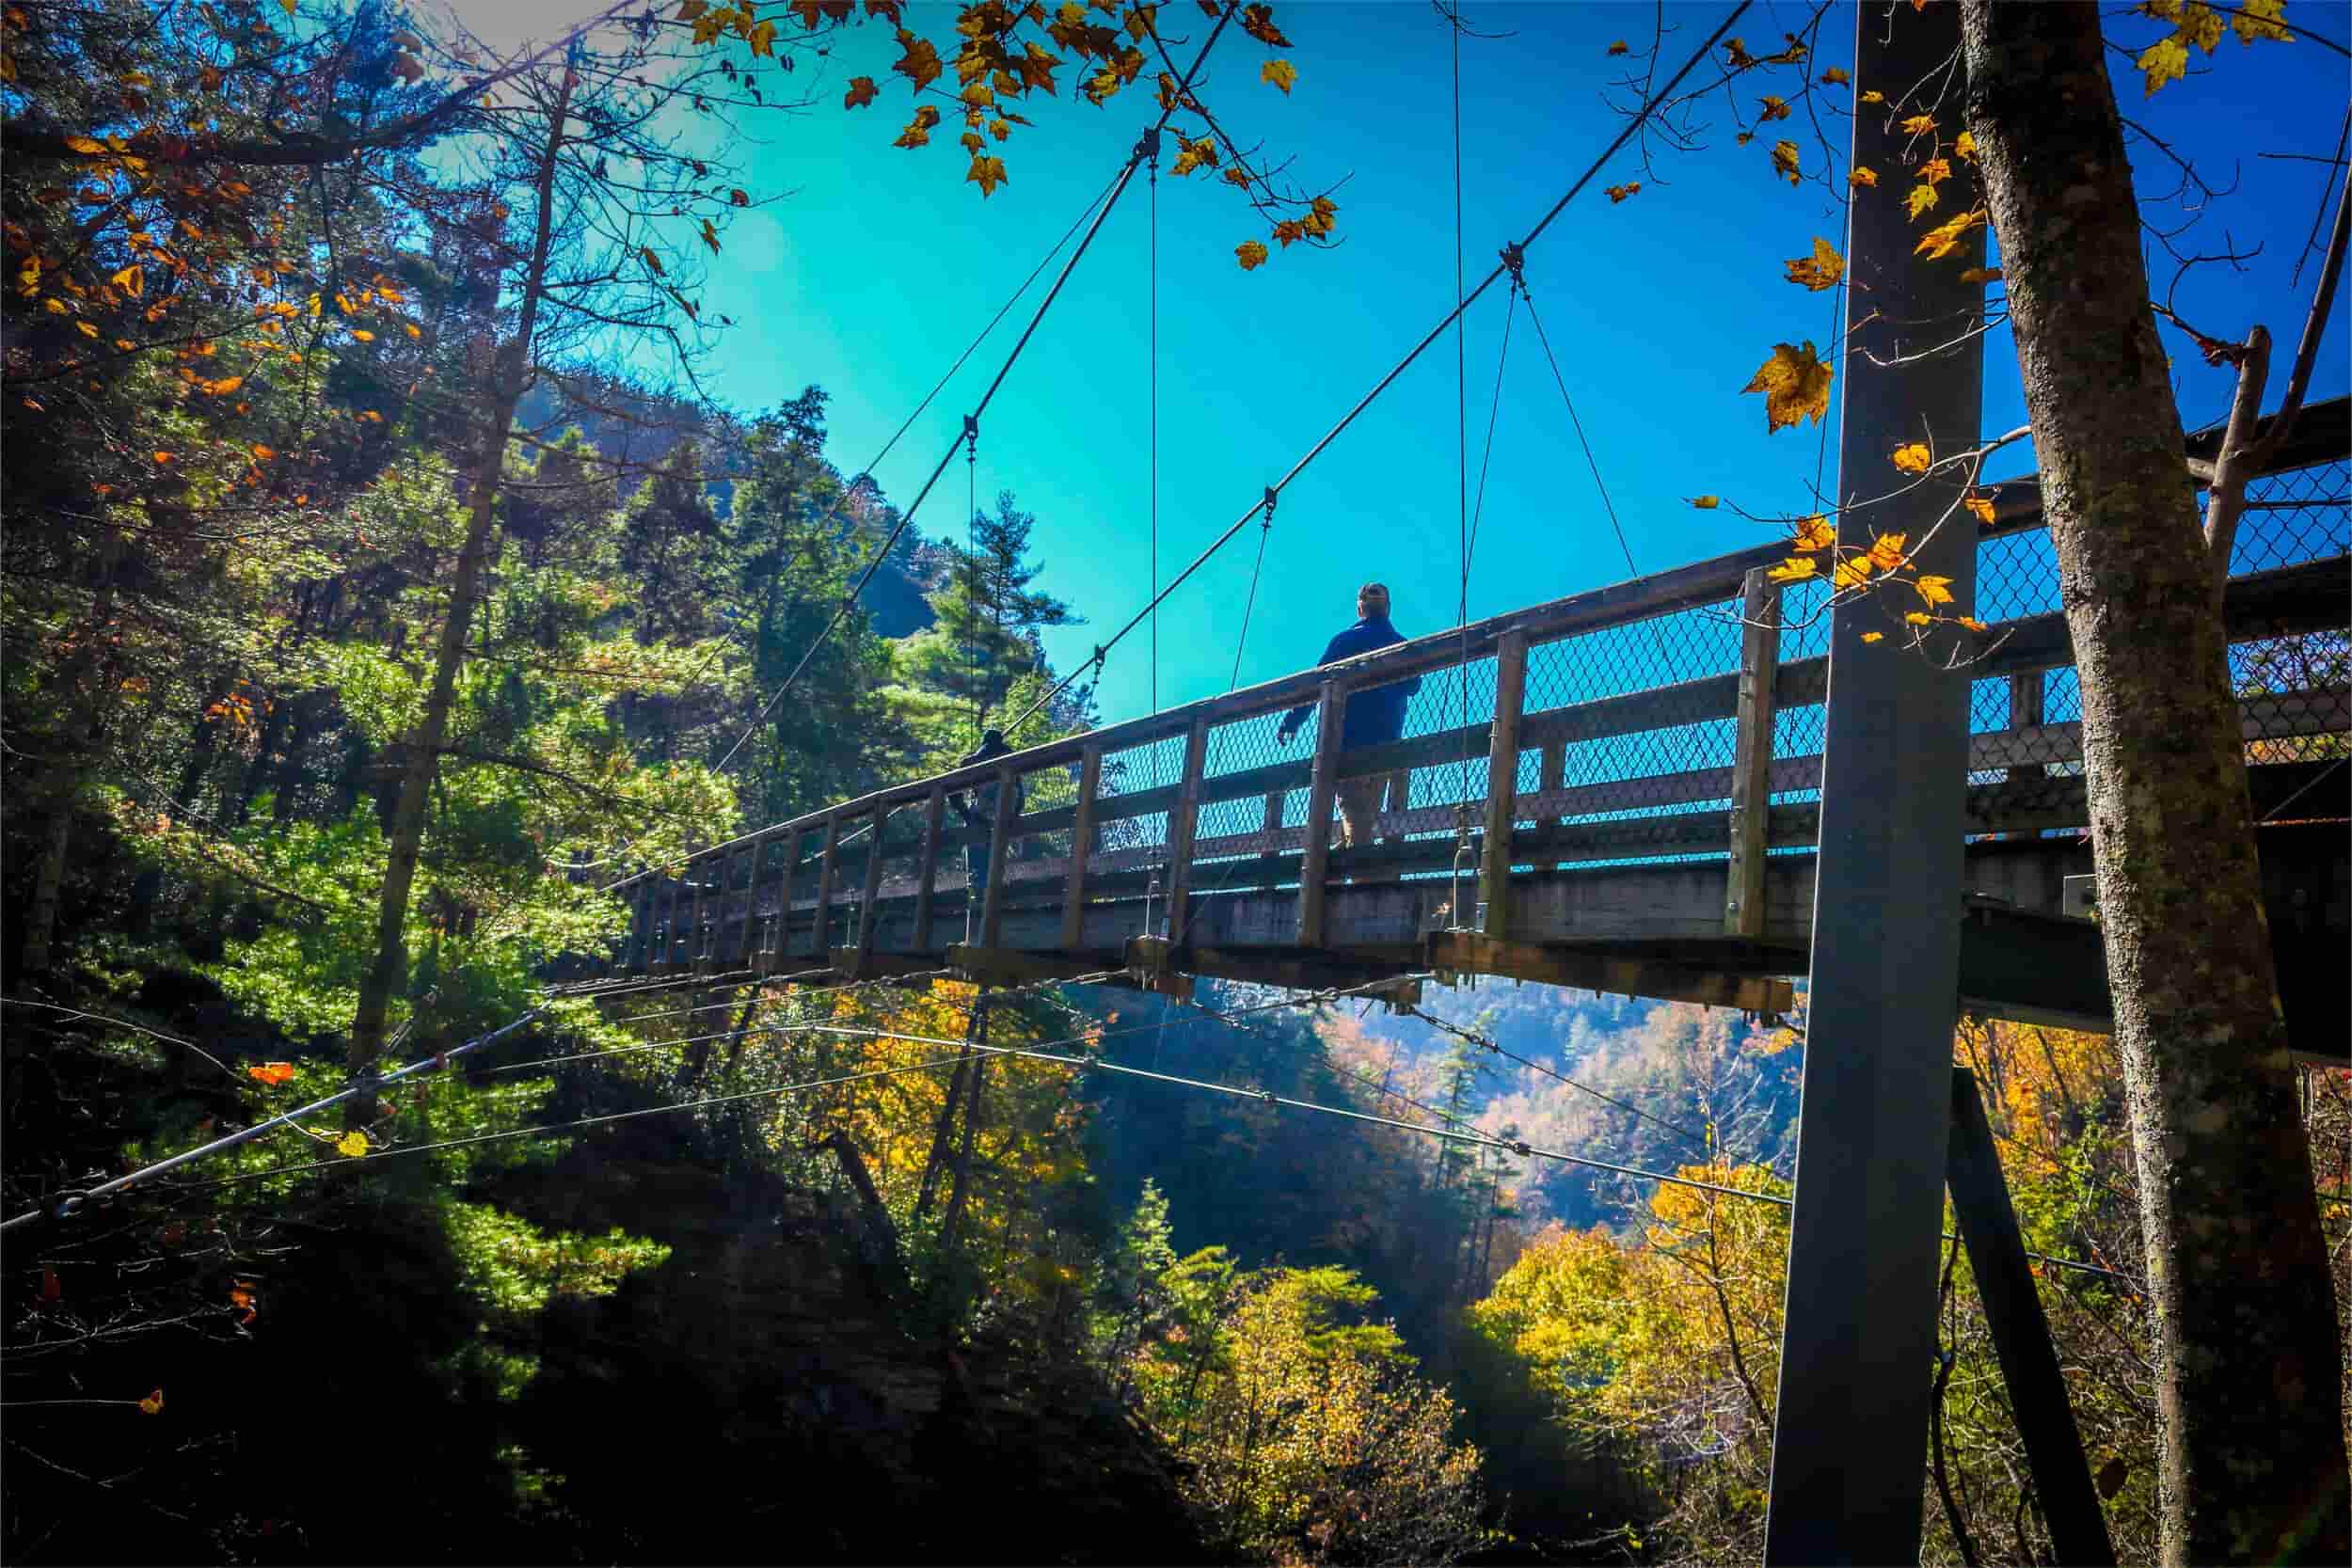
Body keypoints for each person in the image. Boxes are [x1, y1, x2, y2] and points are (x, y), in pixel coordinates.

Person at [1275, 582, 1420, 878]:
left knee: (1356, 817)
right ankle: (1336, 876)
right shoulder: (1401, 645)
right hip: (1388, 747)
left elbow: (1315, 686)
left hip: (1348, 745)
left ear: (1359, 608)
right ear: (1388, 609)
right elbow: (1414, 685)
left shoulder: (1344, 642)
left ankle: (1362, 885)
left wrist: (1293, 721)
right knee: (1362, 817)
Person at [952, 727, 1023, 896]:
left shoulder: (972, 762)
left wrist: (966, 815)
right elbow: (1020, 795)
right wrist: (1014, 815)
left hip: (982, 815)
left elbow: (953, 794)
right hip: (1004, 813)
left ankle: (978, 888)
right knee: (995, 850)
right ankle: (994, 887)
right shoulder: (1013, 760)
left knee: (978, 848)